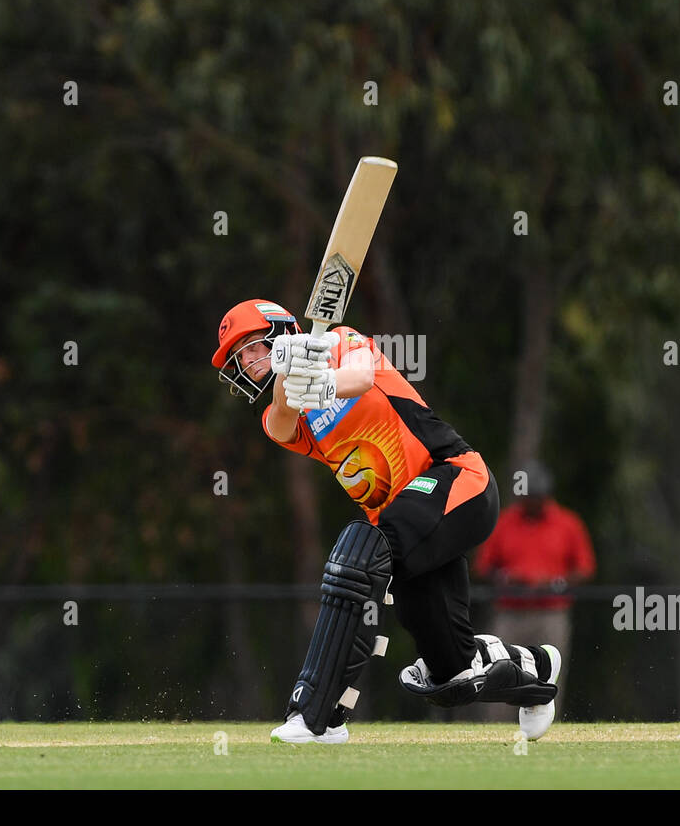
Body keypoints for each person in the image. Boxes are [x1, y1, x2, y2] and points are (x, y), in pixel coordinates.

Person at [212, 299, 562, 743]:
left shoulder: (341, 339)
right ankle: (537, 669)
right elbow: (281, 422)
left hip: (456, 479)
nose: (246, 362)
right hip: (414, 529)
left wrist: (317, 378)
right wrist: (289, 377)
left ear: (280, 332)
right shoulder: (280, 414)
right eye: (239, 358)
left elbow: (358, 378)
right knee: (451, 674)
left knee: (357, 557)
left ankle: (318, 716)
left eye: (251, 347)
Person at [475, 462, 595, 718]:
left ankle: (543, 727)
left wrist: (554, 583)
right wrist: (506, 578)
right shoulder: (505, 521)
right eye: (528, 497)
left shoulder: (567, 523)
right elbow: (483, 566)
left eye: (538, 497)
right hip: (510, 614)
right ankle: (495, 731)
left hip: (550, 615)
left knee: (549, 676)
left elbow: (584, 568)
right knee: (499, 671)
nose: (532, 502)